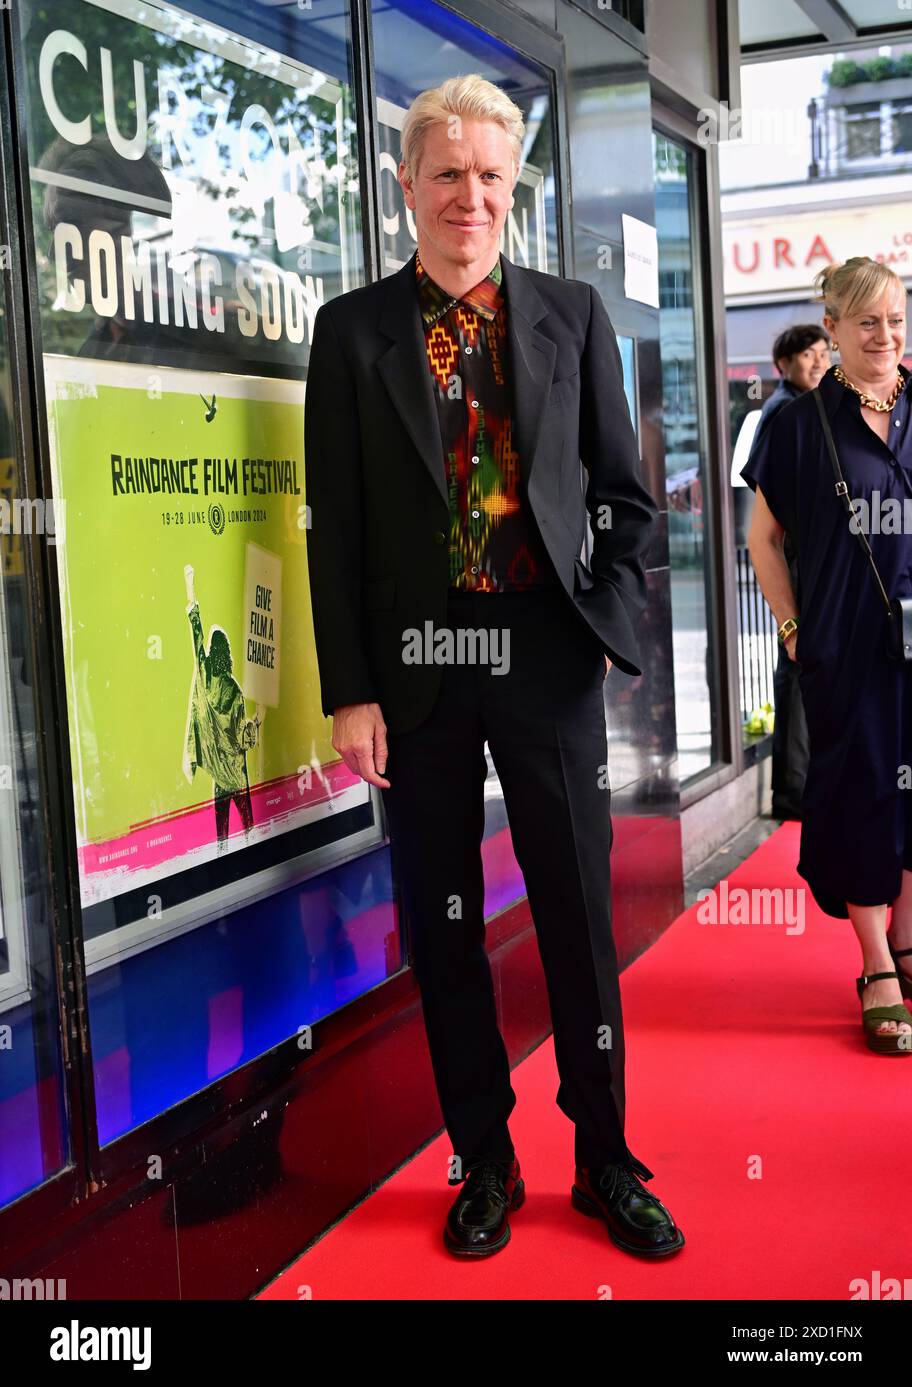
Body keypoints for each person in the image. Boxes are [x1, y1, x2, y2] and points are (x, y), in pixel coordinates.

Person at [304, 74, 684, 1258]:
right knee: (448, 918)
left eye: (491, 175)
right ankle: (485, 1159)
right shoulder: (353, 331)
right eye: (448, 172)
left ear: (511, 187)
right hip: (418, 667)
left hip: (544, 652)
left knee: (575, 914)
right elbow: (340, 524)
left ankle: (607, 1156)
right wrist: (350, 689)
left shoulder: (573, 315)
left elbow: (626, 498)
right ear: (408, 185)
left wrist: (604, 626)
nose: (471, 195)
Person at [742, 256, 912, 1054]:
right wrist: (791, 625)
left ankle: (906, 940)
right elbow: (762, 539)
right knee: (864, 790)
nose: (885, 336)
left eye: (897, 319)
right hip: (846, 642)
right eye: (868, 321)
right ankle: (877, 963)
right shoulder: (799, 424)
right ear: (833, 328)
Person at [751, 326, 831, 821]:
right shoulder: (786, 411)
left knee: (799, 671)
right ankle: (794, 790)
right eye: (808, 355)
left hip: (801, 557)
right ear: (783, 363)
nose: (819, 362)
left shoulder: (796, 404)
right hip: (798, 560)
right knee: (799, 667)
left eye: (824, 353)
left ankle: (795, 787)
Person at [182, 564, 258, 848]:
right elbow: (241, 735)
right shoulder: (236, 690)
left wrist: (191, 589)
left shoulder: (204, 675)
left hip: (219, 775)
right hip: (237, 772)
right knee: (251, 827)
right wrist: (254, 725)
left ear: (213, 653)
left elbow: (196, 633)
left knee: (221, 838)